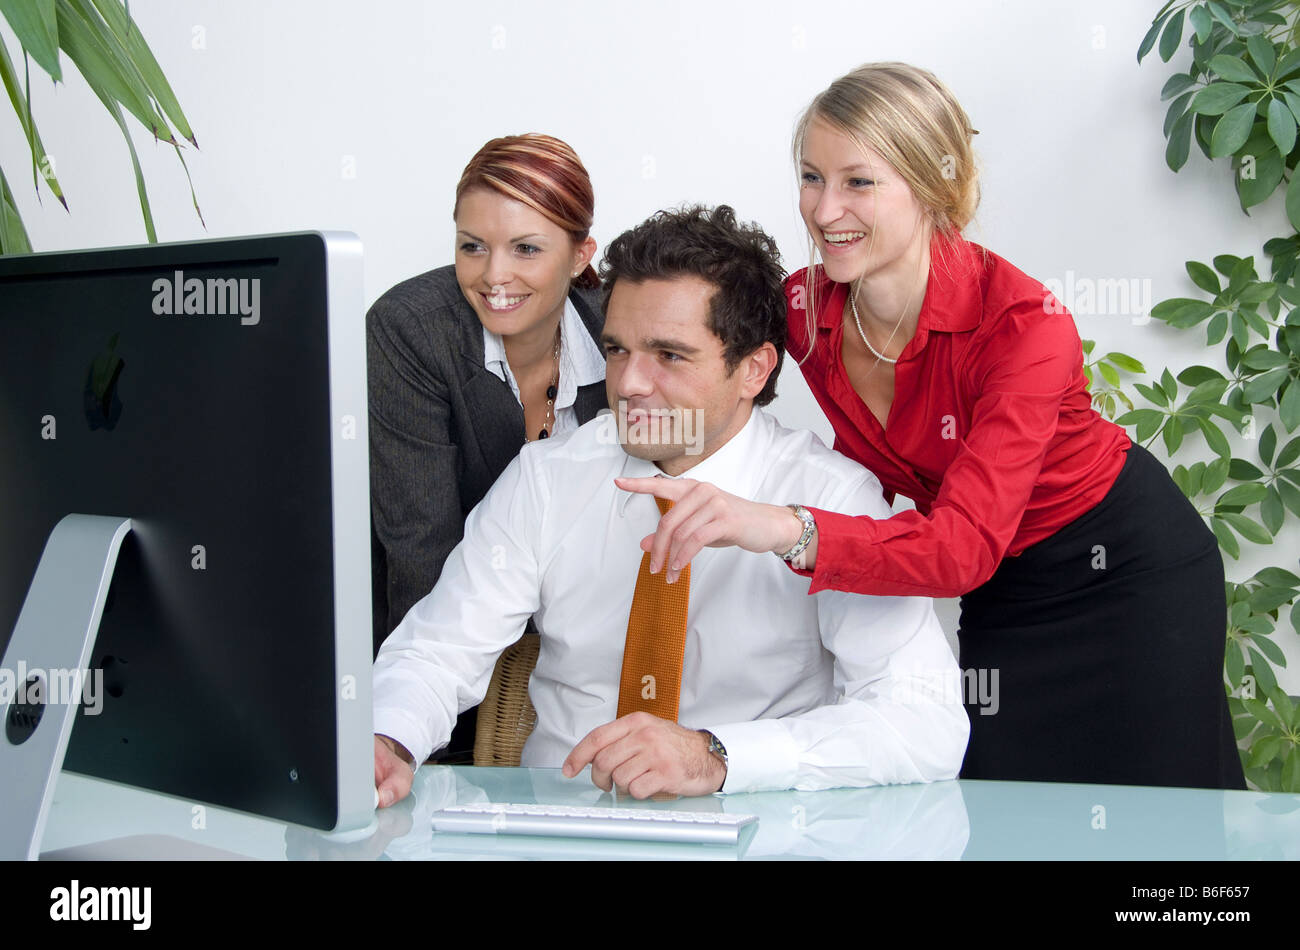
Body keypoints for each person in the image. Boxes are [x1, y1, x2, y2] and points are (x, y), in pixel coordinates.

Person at [620, 63, 1245, 791]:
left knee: (1169, 824)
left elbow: (961, 546)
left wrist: (782, 526)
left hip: (1125, 573)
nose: (824, 211)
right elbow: (686, 329)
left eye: (859, 182)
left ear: (929, 184)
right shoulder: (803, 308)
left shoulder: (1023, 327)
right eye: (811, 177)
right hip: (1005, 590)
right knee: (1003, 807)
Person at [372, 205, 967, 806]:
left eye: (670, 356)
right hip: (560, 835)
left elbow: (925, 724)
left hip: (757, 834)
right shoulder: (548, 477)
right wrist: (389, 738)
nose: (628, 384)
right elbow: (438, 648)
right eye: (617, 351)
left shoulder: (832, 501)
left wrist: (716, 755)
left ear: (753, 369)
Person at [367, 134, 607, 759]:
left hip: (566, 658)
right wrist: (416, 752)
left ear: (582, 254)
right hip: (427, 629)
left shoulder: (620, 331)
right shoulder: (411, 328)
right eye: (472, 247)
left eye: (526, 248)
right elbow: (421, 551)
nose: (494, 276)